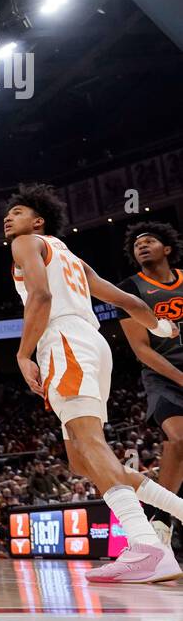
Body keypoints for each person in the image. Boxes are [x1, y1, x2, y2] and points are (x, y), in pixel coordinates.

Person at [6, 184, 183, 582]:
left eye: (17, 212)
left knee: (90, 444)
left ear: (38, 221)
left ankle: (145, 547)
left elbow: (40, 295)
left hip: (64, 342)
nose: (8, 218)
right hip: (92, 343)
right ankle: (178, 512)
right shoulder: (73, 259)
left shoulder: (25, 244)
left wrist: (23, 354)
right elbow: (131, 303)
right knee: (82, 458)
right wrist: (163, 326)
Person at [116, 222, 183, 545]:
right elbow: (142, 350)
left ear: (167, 249)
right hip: (162, 376)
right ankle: (165, 517)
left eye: (150, 240)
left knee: (175, 447)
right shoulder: (129, 288)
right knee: (179, 439)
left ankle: (161, 517)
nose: (141, 246)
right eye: (136, 244)